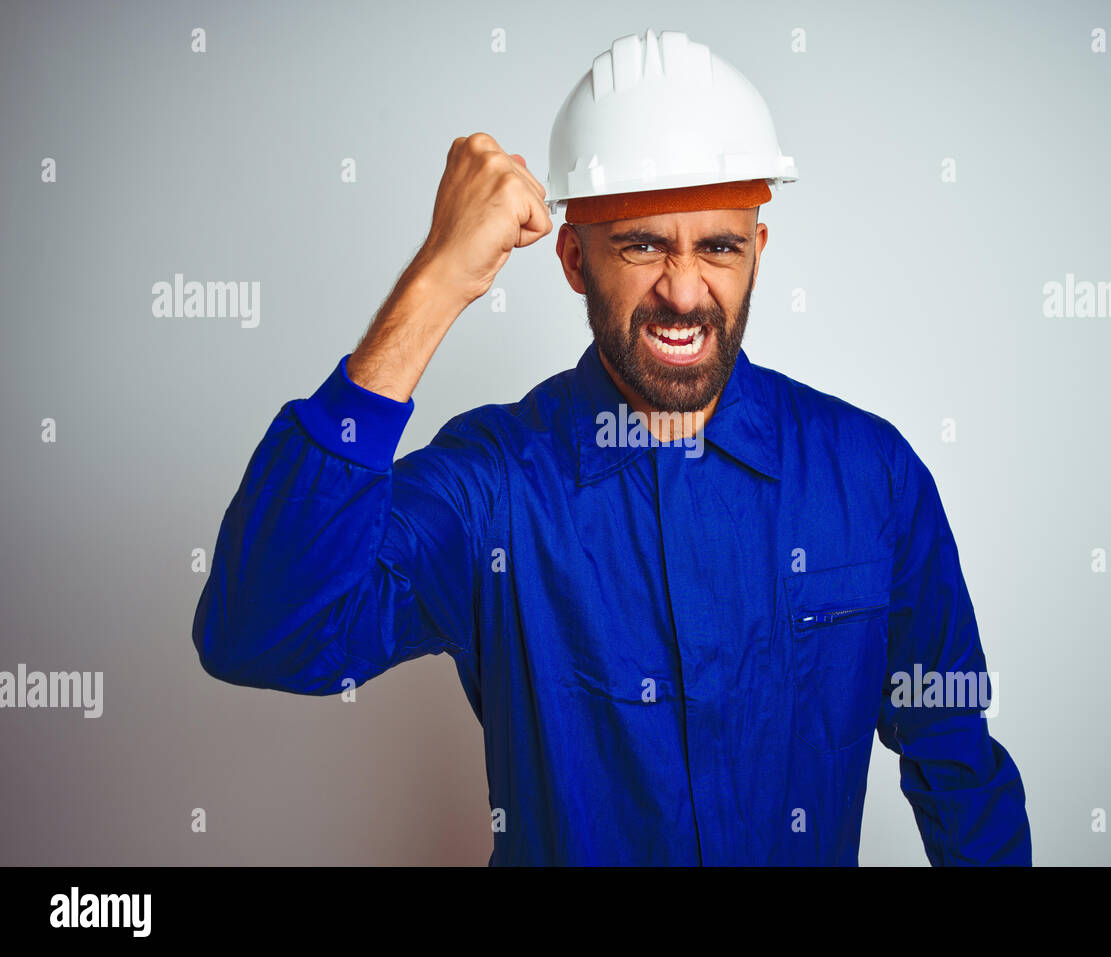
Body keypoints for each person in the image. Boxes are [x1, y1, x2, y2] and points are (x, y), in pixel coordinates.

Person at [193, 29, 1030, 866]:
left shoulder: (870, 474)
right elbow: (265, 631)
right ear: (573, 258)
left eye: (719, 247)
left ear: (758, 252)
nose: (685, 291)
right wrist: (437, 281)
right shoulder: (493, 487)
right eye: (642, 244)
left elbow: (954, 753)